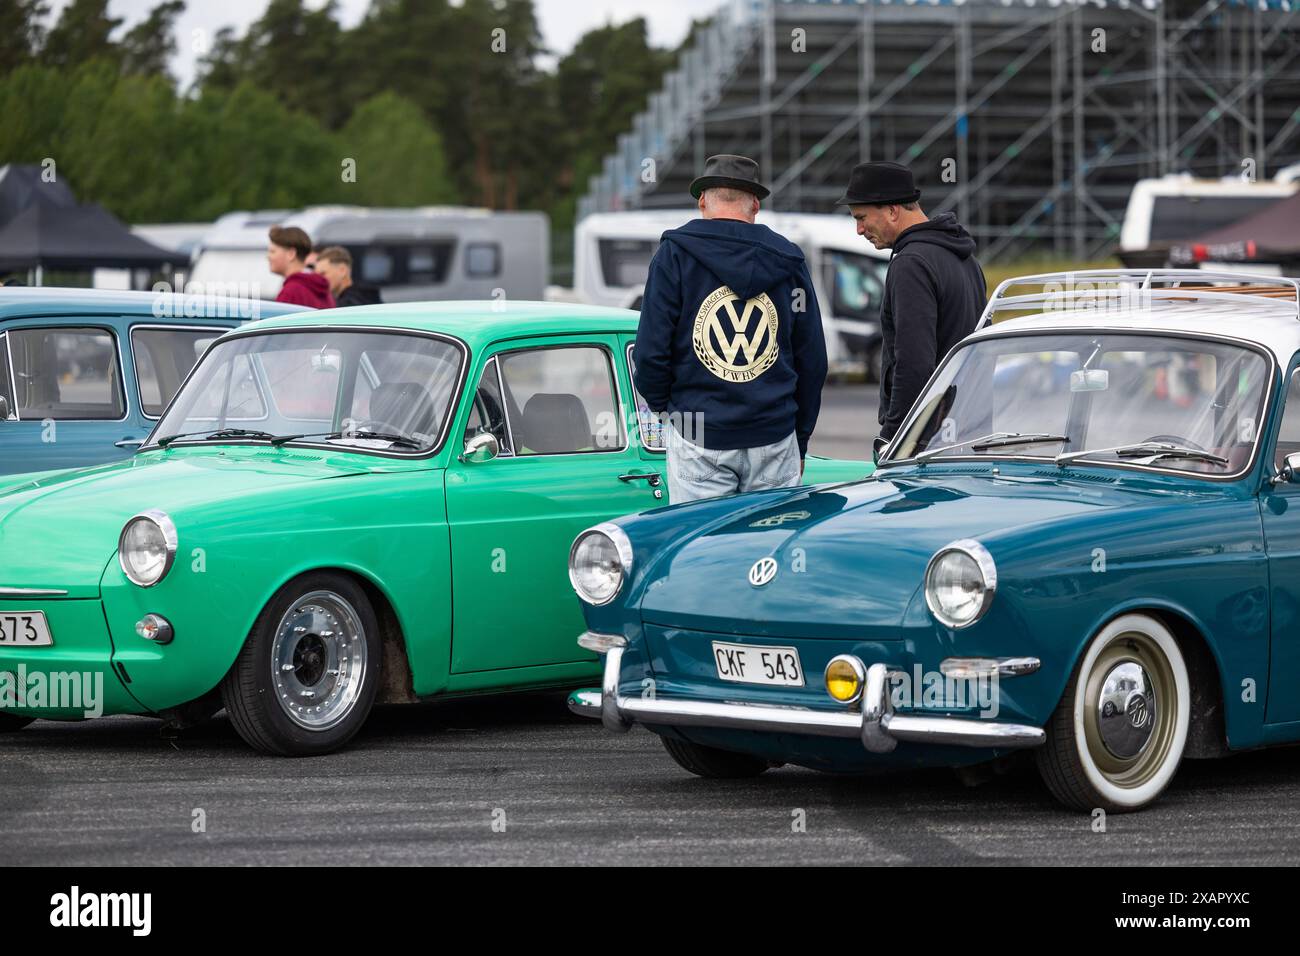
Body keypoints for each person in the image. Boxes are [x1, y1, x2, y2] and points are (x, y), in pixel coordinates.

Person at [634, 154, 828, 503]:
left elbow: (650, 354)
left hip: (698, 433)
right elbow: (812, 359)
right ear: (755, 204)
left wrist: (673, 414)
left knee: (699, 549)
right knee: (769, 549)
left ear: (702, 201)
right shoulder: (789, 262)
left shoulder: (673, 257)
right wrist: (800, 438)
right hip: (774, 433)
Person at [837, 161, 986, 458]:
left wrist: (894, 438)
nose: (859, 230)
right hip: (973, 428)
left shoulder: (911, 263)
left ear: (893, 211)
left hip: (927, 443)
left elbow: (915, 363)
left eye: (862, 217)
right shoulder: (966, 259)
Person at [268, 226, 335, 308]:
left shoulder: (290, 292)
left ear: (291, 254)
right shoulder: (324, 291)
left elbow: (277, 320)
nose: (268, 256)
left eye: (272, 251)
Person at [314, 246, 382, 308]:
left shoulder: (348, 306)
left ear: (342, 270)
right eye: (316, 275)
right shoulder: (368, 298)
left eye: (323, 274)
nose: (319, 279)